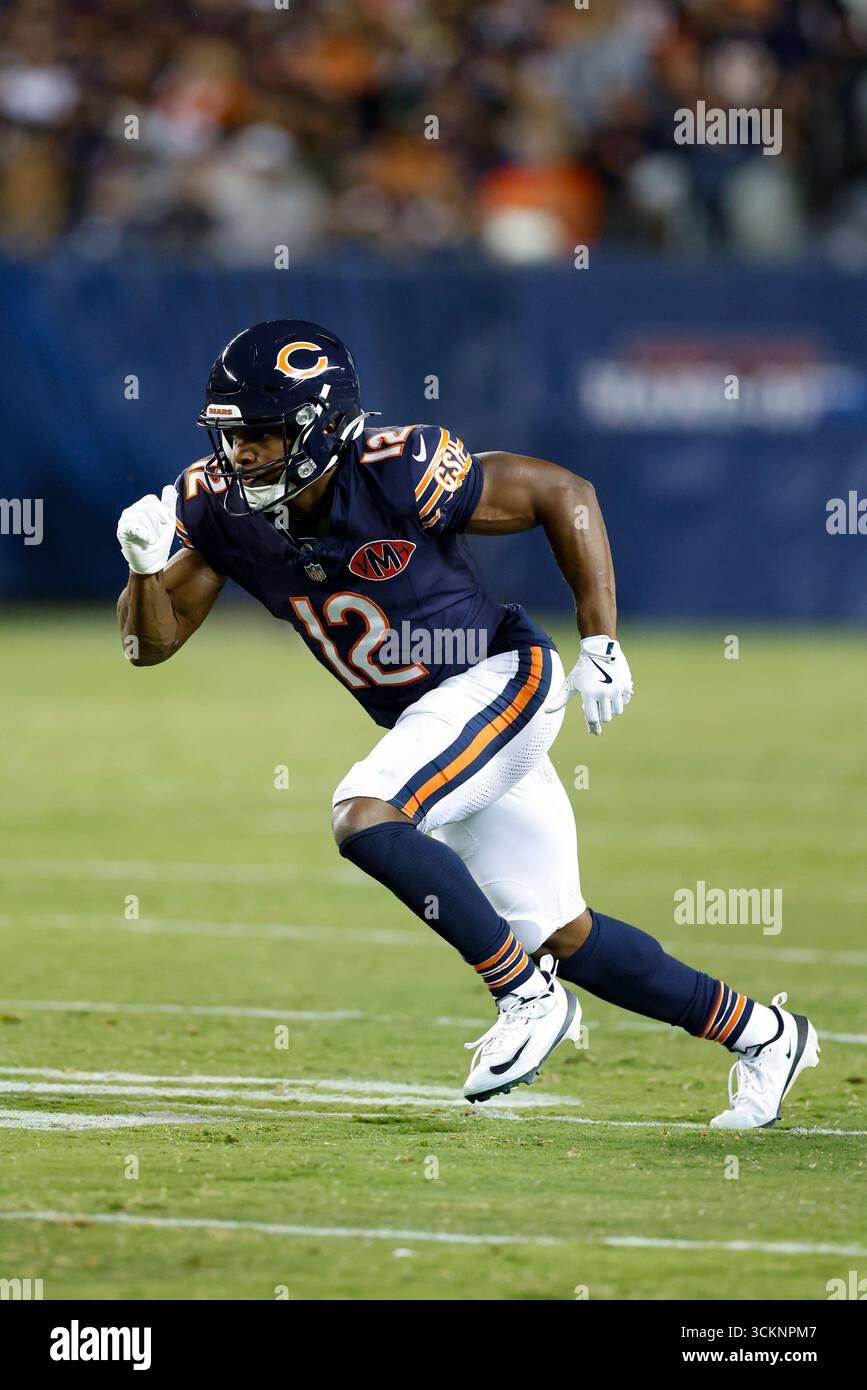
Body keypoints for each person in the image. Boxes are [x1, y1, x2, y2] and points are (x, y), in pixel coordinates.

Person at [116, 319, 819, 1124]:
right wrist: (142, 570)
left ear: (319, 428)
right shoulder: (217, 509)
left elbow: (566, 493)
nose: (240, 455)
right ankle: (765, 1034)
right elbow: (149, 647)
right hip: (435, 716)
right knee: (561, 930)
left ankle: (524, 1000)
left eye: (262, 436)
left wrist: (600, 641)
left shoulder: (396, 470)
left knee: (366, 814)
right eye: (230, 436)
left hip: (499, 676)